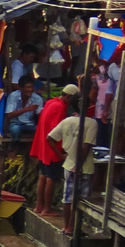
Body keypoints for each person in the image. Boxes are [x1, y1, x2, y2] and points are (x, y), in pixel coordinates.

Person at [48, 97, 99, 235]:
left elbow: (50, 138)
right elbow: (87, 146)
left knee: (68, 197)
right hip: (83, 166)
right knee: (81, 199)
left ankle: (67, 226)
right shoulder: (92, 123)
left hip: (68, 163)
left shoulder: (67, 121)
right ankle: (73, 226)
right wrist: (79, 165)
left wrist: (61, 155)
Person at [31, 83, 79, 215]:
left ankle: (38, 206)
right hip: (51, 148)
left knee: (43, 175)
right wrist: (62, 151)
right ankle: (47, 208)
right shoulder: (59, 107)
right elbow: (57, 130)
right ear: (69, 97)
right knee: (51, 177)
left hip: (42, 147)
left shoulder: (51, 102)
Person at [4, 75, 43, 141]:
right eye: (27, 87)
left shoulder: (37, 98)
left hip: (30, 124)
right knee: (15, 130)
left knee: (40, 131)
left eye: (31, 87)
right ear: (20, 88)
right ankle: (15, 148)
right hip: (16, 123)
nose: (30, 90)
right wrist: (27, 109)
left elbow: (40, 114)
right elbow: (9, 115)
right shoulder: (14, 96)